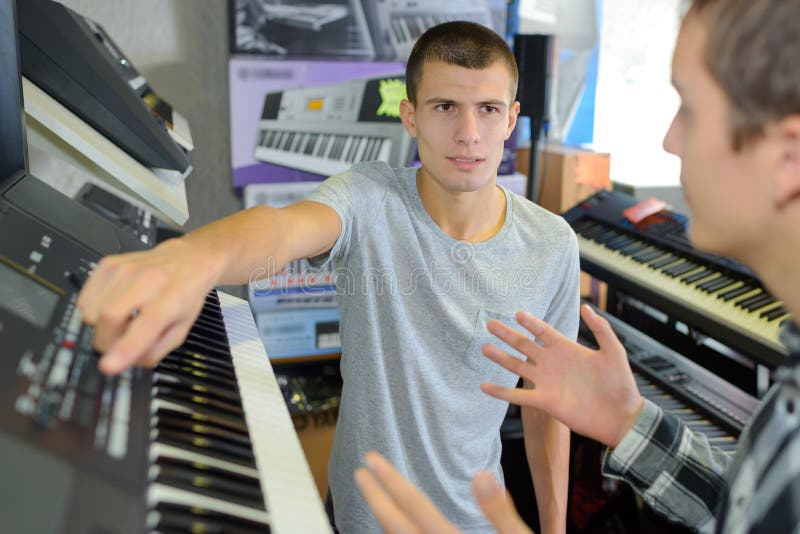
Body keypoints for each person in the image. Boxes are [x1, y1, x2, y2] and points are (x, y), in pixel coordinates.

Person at [76, 21, 580, 533]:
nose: (469, 133)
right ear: (410, 116)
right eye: (445, 107)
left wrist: (555, 527)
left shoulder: (552, 244)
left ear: (512, 118)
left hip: (478, 522)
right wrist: (195, 257)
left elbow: (548, 401)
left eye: (488, 109)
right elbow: (281, 229)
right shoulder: (367, 196)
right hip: (362, 519)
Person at [354, 0, 800, 532]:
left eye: (690, 108)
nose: (668, 140)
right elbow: (750, 511)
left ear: (787, 157)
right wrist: (629, 424)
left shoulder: (548, 238)